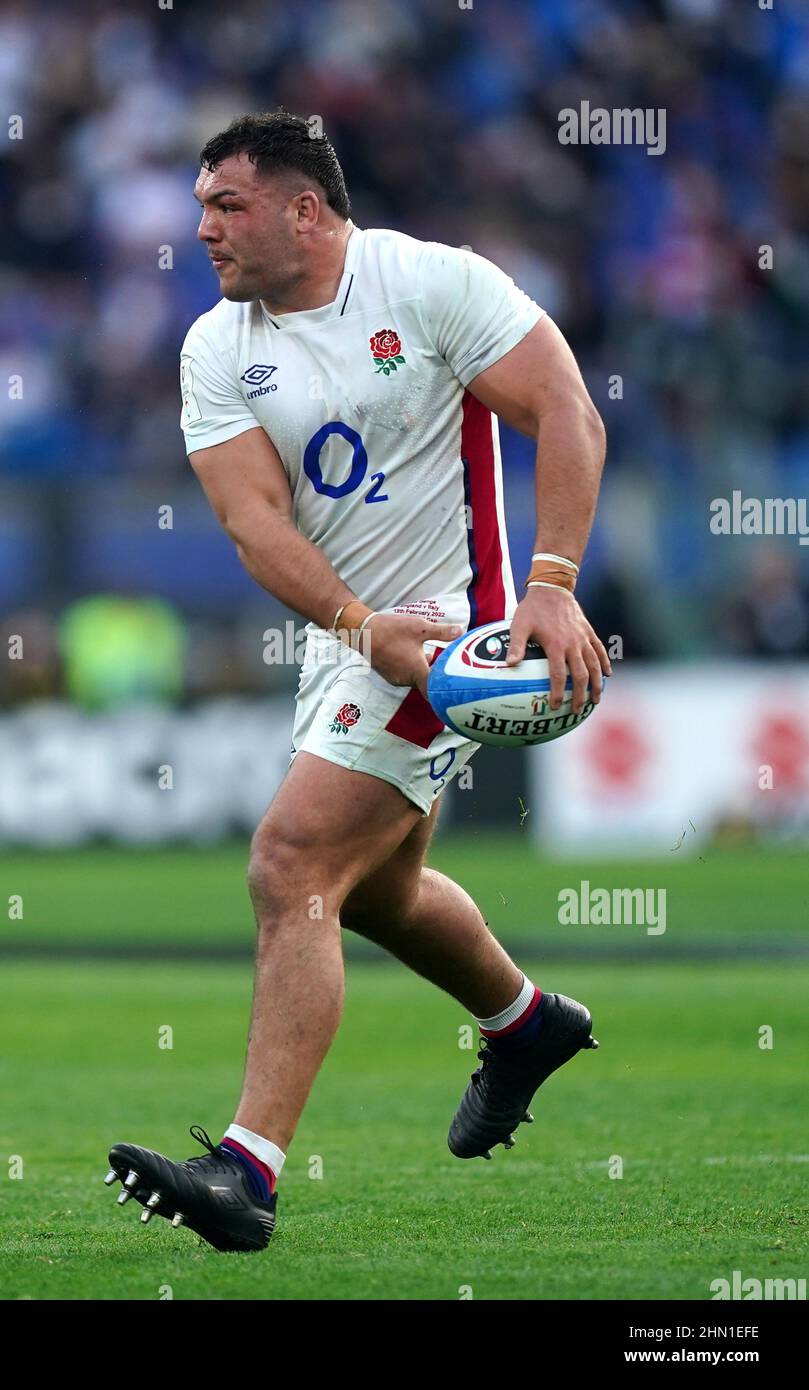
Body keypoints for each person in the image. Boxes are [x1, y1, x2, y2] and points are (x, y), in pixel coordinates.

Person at [105, 112, 610, 1252]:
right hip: (353, 636)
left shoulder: (431, 284)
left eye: (225, 206)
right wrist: (353, 623)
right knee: (370, 892)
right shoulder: (214, 347)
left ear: (302, 207)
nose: (201, 230)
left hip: (454, 633)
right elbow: (251, 520)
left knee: (291, 863)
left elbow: (564, 409)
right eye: (199, 207)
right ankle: (523, 1022)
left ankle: (247, 1173)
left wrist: (552, 583)